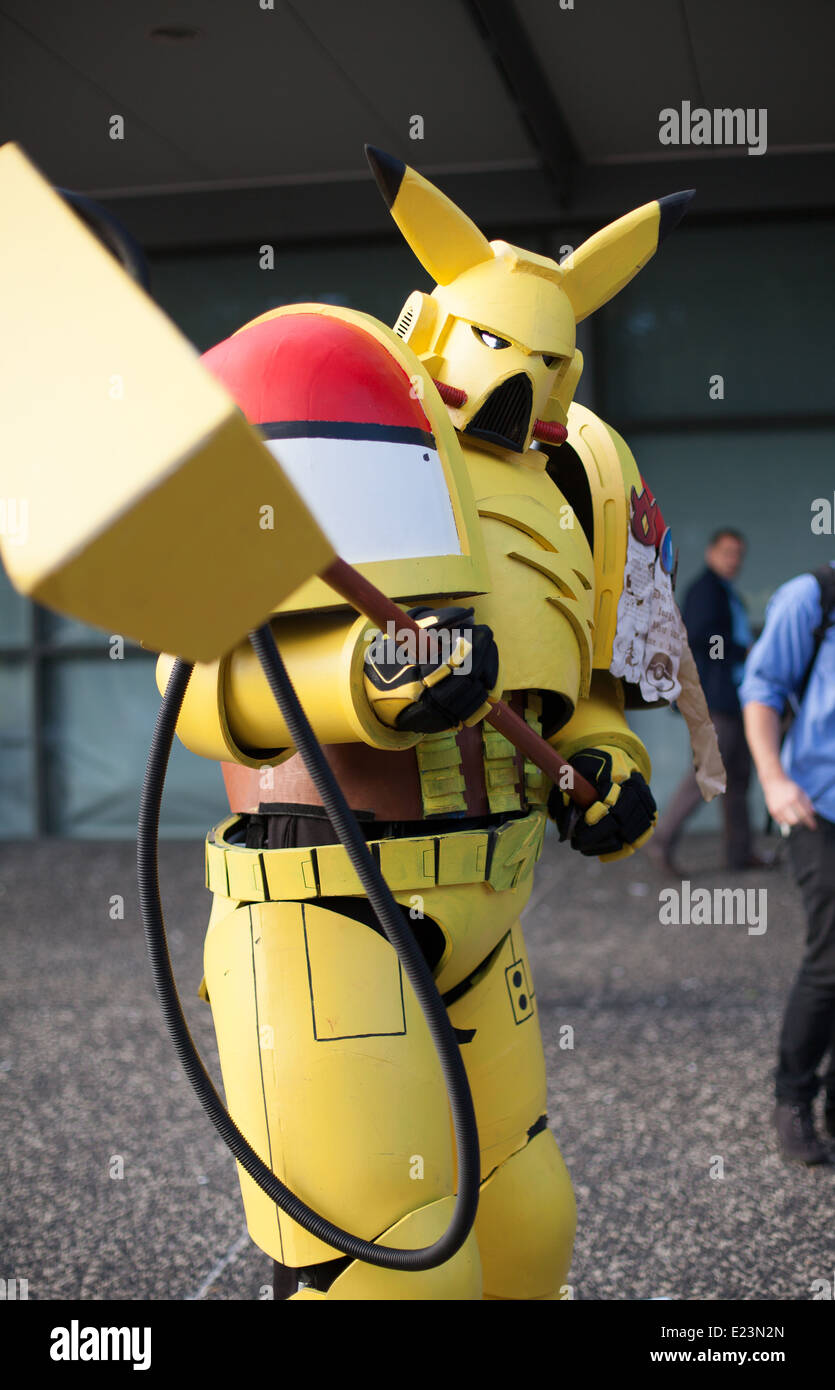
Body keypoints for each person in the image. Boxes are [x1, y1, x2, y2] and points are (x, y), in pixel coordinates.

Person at [740, 561, 835, 1164]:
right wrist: (772, 780)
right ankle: (792, 1098)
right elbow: (762, 688)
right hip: (816, 806)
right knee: (831, 958)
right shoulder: (812, 597)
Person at [650, 528, 762, 872]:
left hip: (733, 697)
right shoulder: (705, 590)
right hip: (714, 700)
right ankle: (661, 841)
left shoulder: (726, 593)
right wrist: (744, 650)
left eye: (738, 554)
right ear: (712, 552)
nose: (734, 560)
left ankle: (739, 854)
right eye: (727, 552)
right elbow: (701, 636)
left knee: (738, 776)